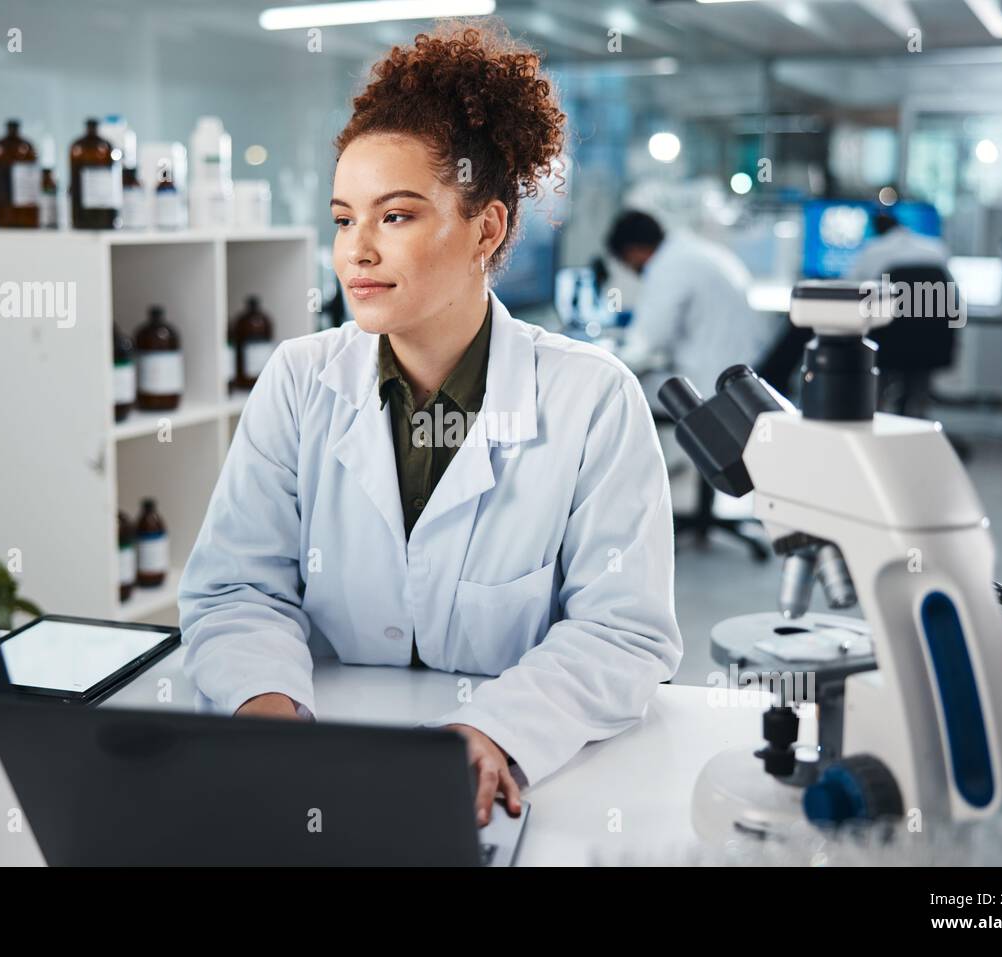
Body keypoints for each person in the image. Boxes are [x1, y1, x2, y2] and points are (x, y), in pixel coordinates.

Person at [177, 21, 683, 827]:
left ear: (487, 228)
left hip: (519, 786)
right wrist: (269, 719)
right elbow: (238, 586)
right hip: (320, 773)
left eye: (397, 217)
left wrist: (492, 728)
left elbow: (622, 632)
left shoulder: (592, 399)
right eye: (344, 220)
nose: (356, 253)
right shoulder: (300, 379)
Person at [610, 210, 779, 402]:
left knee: (624, 395)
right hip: (741, 372)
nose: (631, 269)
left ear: (633, 251)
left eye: (627, 262)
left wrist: (607, 364)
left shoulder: (669, 266)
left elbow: (645, 343)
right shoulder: (691, 251)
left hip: (712, 381)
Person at [848, 209, 949, 281]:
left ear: (876, 230)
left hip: (887, 310)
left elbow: (849, 286)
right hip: (938, 310)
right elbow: (954, 296)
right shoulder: (937, 248)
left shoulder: (870, 251)